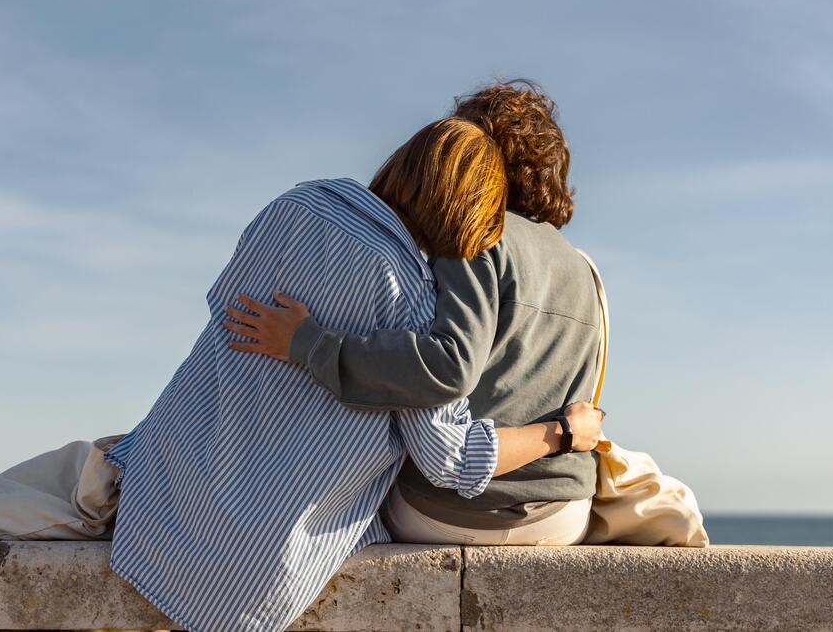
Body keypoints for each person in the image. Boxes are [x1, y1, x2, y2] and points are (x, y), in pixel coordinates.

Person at [103, 115, 604, 632]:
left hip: (162, 502)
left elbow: (223, 302)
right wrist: (561, 432)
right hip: (256, 558)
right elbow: (447, 460)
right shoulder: (412, 296)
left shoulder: (298, 202)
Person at [229, 79, 606, 546]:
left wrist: (306, 343)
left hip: (457, 511)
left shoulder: (472, 234)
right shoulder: (584, 266)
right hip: (565, 511)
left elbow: (446, 366)